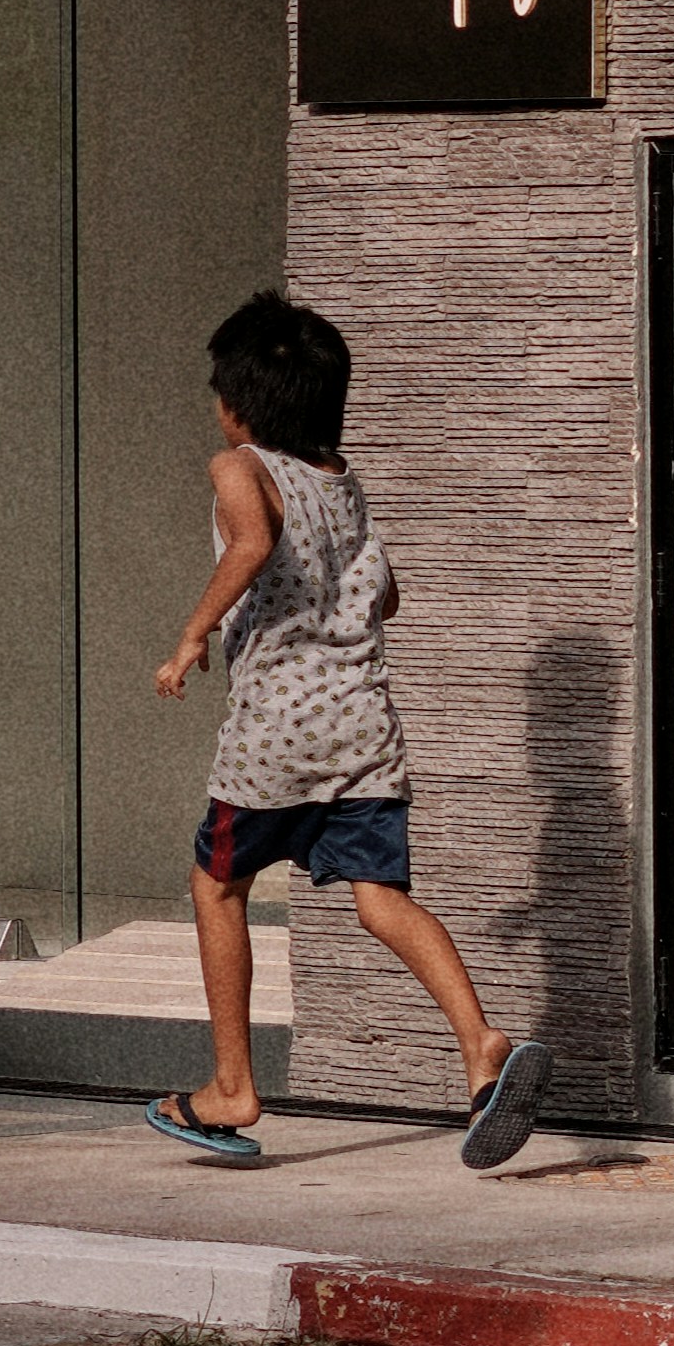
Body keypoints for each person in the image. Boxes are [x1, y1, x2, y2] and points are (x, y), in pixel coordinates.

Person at [149, 287, 547, 1170]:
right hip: (364, 727)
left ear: (237, 403)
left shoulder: (238, 468)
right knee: (382, 901)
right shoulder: (340, 480)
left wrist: (193, 634)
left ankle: (232, 1087)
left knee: (217, 887)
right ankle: (480, 1044)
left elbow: (251, 543)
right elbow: (386, 595)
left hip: (277, 737)